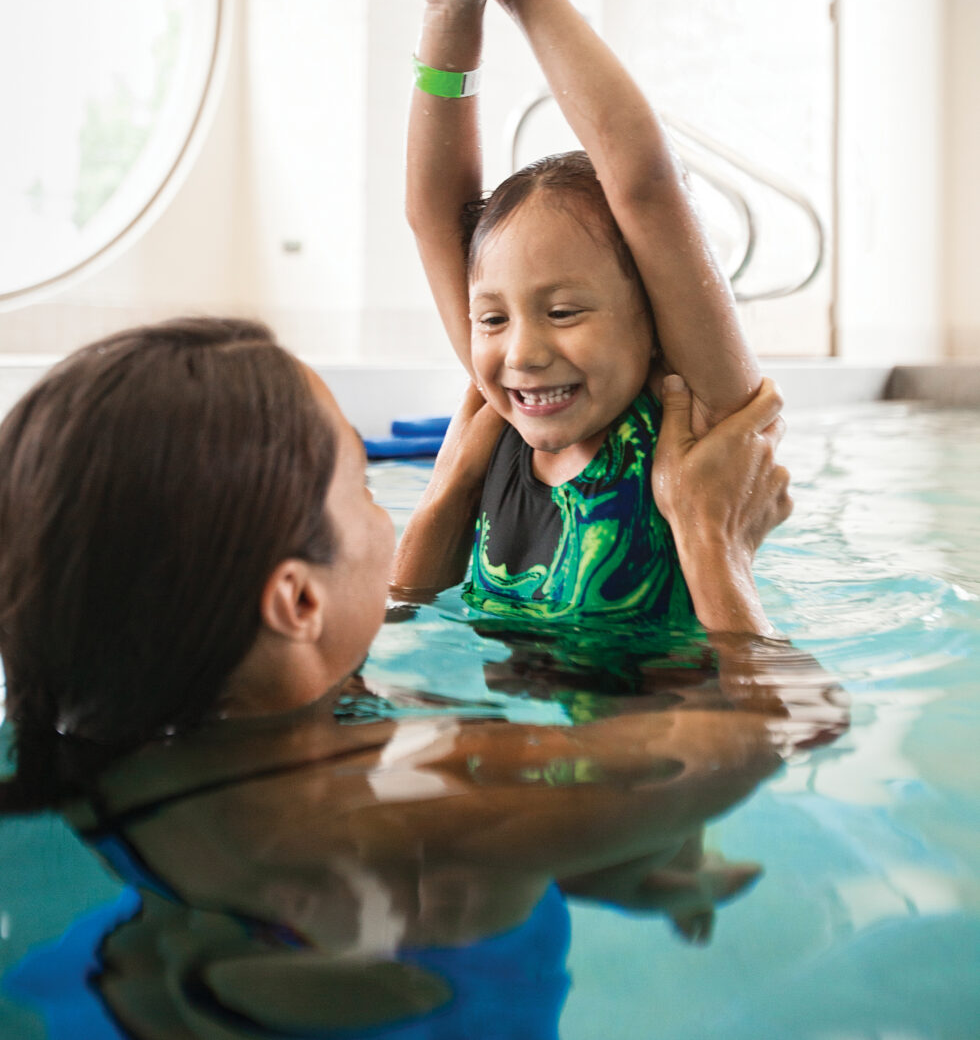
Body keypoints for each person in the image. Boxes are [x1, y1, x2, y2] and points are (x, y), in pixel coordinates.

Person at [0, 318, 838, 1039]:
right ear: (297, 599)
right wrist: (716, 542)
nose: (384, 513)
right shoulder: (439, 791)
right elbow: (794, 717)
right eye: (363, 488)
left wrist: (450, 496)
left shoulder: (93, 747)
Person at [405, 0, 764, 629]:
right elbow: (433, 214)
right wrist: (447, 14)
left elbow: (643, 180)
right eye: (490, 317)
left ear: (651, 316)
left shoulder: (699, 423)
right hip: (510, 745)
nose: (522, 350)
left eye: (564, 310)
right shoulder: (504, 405)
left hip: (664, 750)